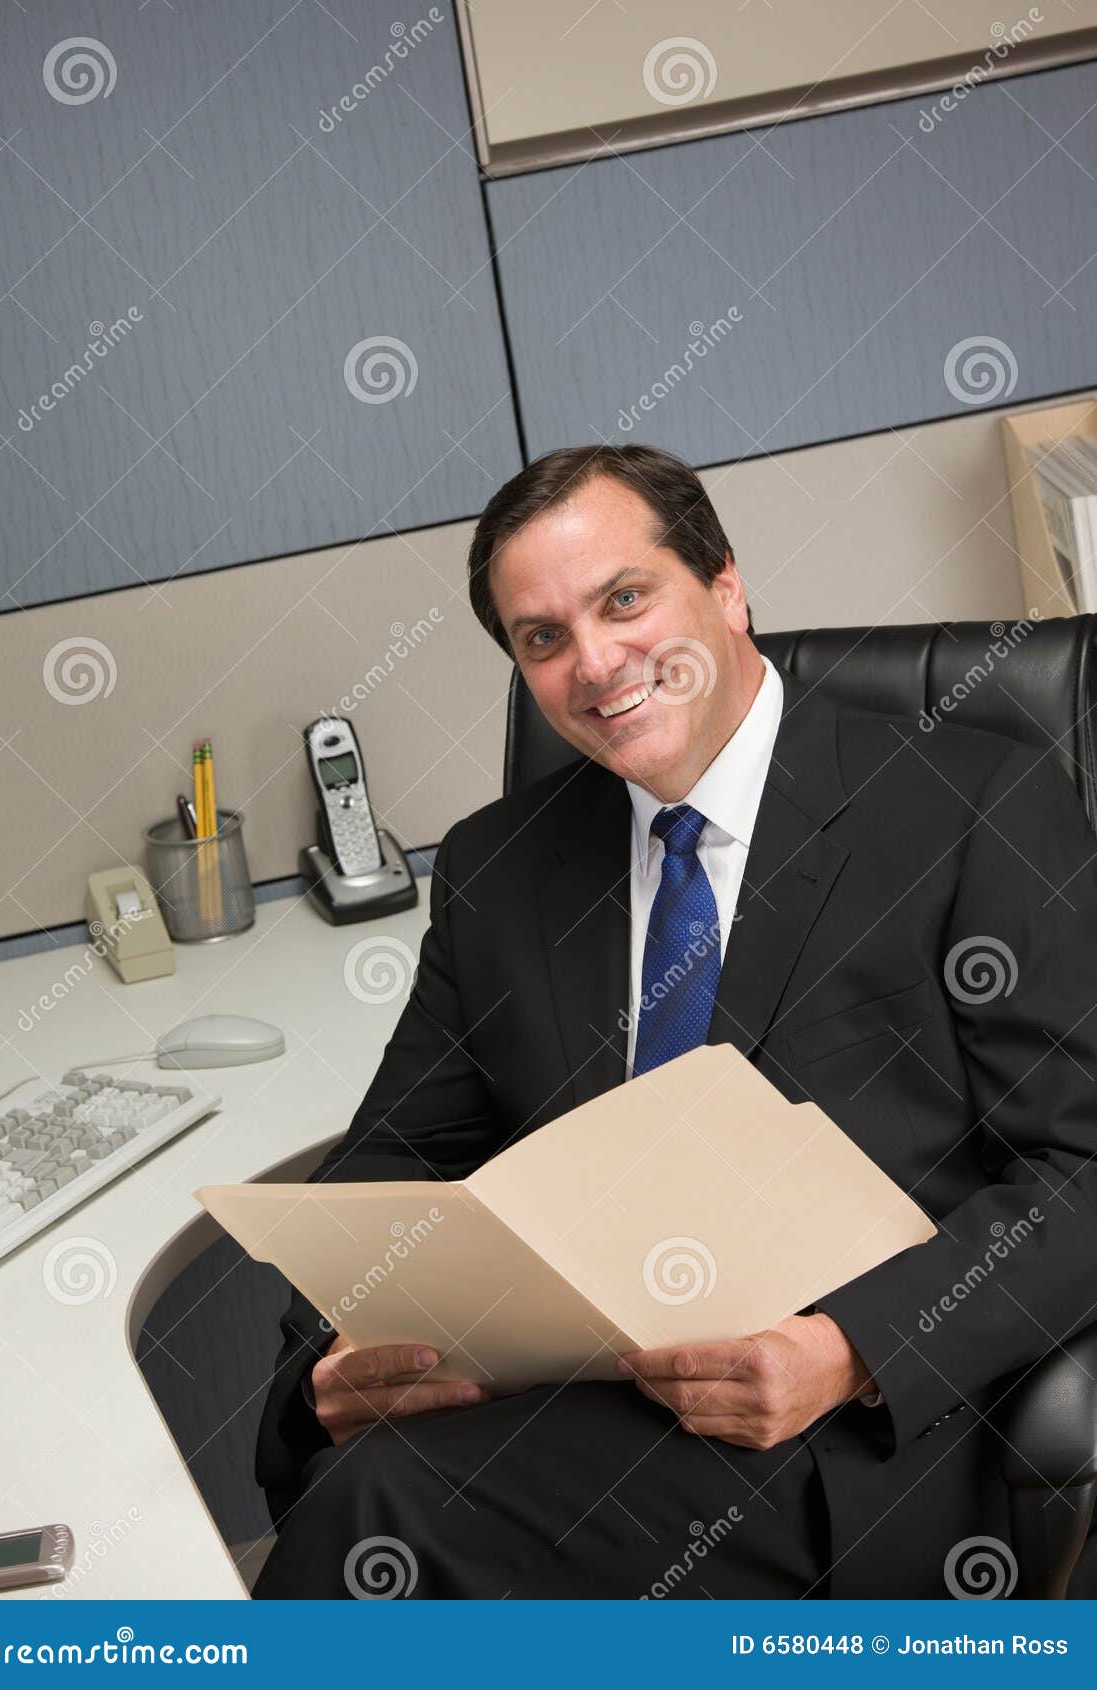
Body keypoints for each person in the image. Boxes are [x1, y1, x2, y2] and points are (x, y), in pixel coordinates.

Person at [252, 444, 1097, 1599]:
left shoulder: (971, 804)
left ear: (726, 586)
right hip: (570, 1408)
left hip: (840, 1431)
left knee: (377, 1521)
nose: (594, 664)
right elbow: (391, 1155)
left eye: (623, 599)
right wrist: (331, 1358)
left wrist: (848, 1349)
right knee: (373, 1498)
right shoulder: (501, 867)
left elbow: (1080, 1168)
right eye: (541, 638)